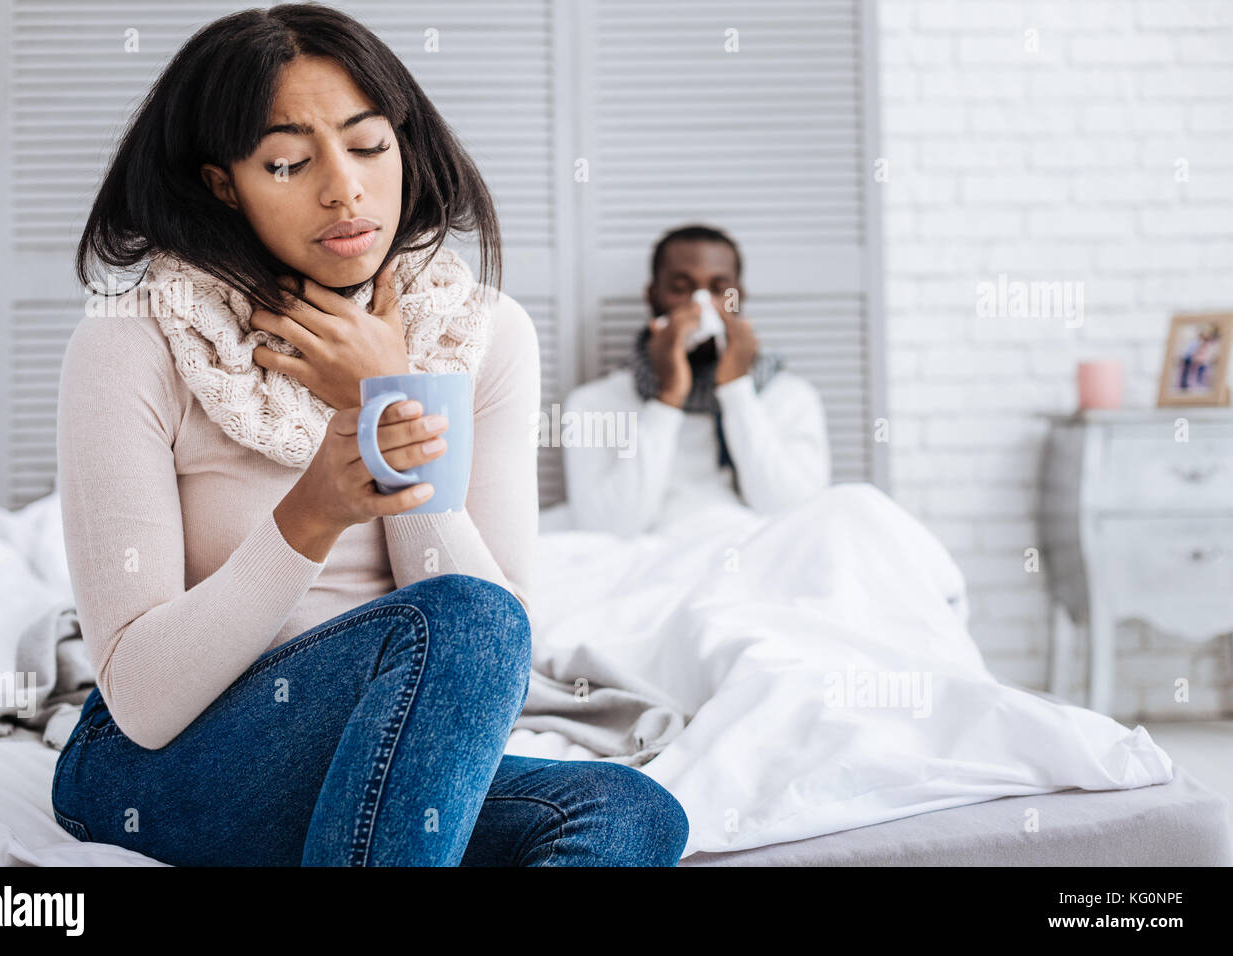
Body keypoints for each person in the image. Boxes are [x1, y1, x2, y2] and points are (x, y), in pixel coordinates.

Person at [51, 3, 687, 867]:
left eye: (368, 144)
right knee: (465, 620)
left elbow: (500, 659)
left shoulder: (483, 334)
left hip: (384, 754)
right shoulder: (133, 343)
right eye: (287, 161)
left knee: (629, 813)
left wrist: (388, 403)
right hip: (160, 767)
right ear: (221, 182)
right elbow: (143, 701)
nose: (344, 188)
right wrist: (311, 513)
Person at [562, 224, 831, 536]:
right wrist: (667, 397)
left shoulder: (790, 397)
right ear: (652, 297)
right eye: (681, 289)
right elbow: (609, 526)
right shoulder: (595, 403)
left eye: (719, 290)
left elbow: (795, 515)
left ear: (738, 297)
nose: (701, 307)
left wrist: (736, 388)